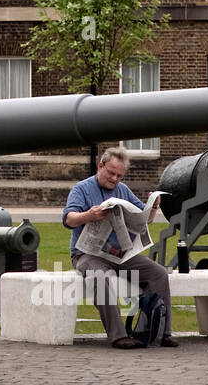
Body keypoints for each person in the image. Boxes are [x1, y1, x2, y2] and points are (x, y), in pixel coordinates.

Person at [63, 146, 177, 349]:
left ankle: (158, 332)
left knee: (158, 273)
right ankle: (118, 336)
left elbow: (144, 220)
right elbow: (69, 219)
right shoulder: (81, 189)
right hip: (87, 254)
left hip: (121, 256)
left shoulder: (122, 190)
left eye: (120, 176)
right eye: (111, 173)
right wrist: (88, 215)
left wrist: (154, 206)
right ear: (100, 166)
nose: (115, 179)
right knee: (99, 275)